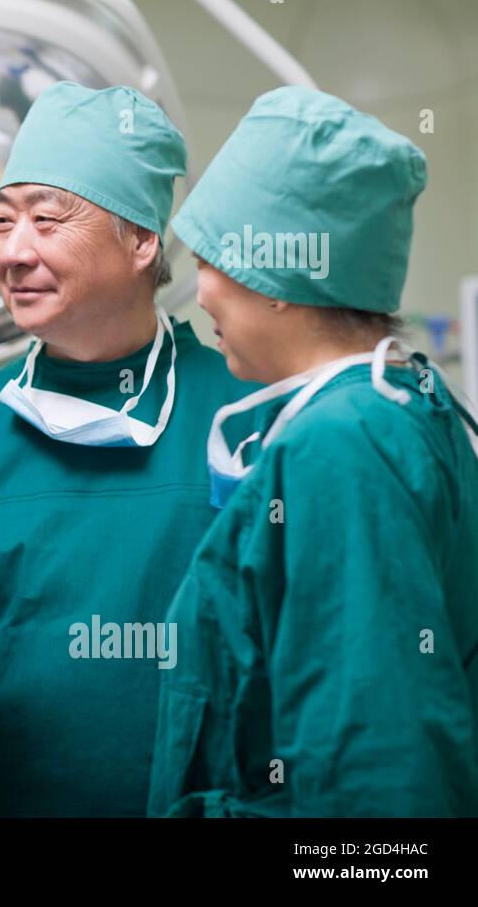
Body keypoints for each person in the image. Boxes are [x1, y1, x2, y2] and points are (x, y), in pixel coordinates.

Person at [0, 82, 256, 816]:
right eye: (1, 222)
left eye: (47, 221)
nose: (14, 252)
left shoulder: (246, 417)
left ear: (142, 241)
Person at [148, 86, 478, 817]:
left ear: (279, 282)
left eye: (210, 260)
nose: (199, 294)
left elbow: (377, 779)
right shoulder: (405, 407)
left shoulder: (343, 446)